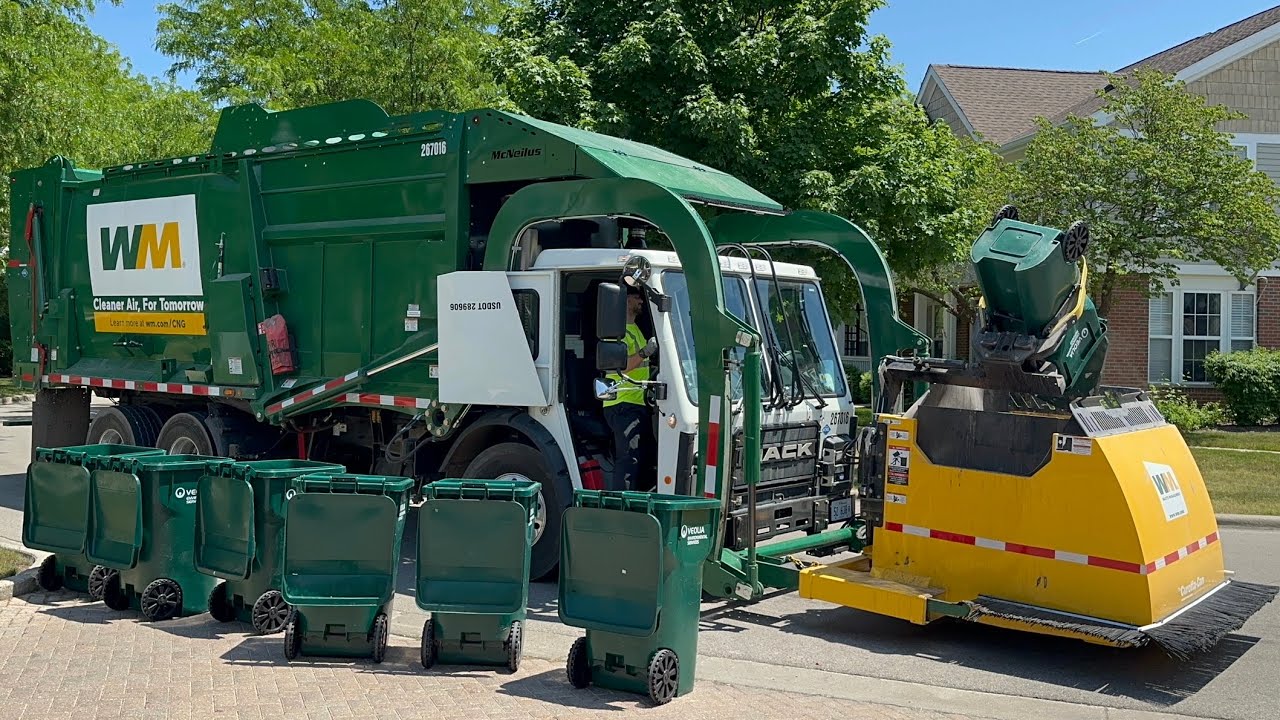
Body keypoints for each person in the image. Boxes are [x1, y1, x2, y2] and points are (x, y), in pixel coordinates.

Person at [602, 287, 656, 491]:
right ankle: (621, 506)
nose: (641, 300)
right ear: (624, 301)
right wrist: (645, 352)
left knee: (639, 457)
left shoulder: (635, 329)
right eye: (636, 297)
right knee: (628, 459)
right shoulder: (616, 332)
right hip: (622, 403)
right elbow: (622, 366)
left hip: (637, 402)